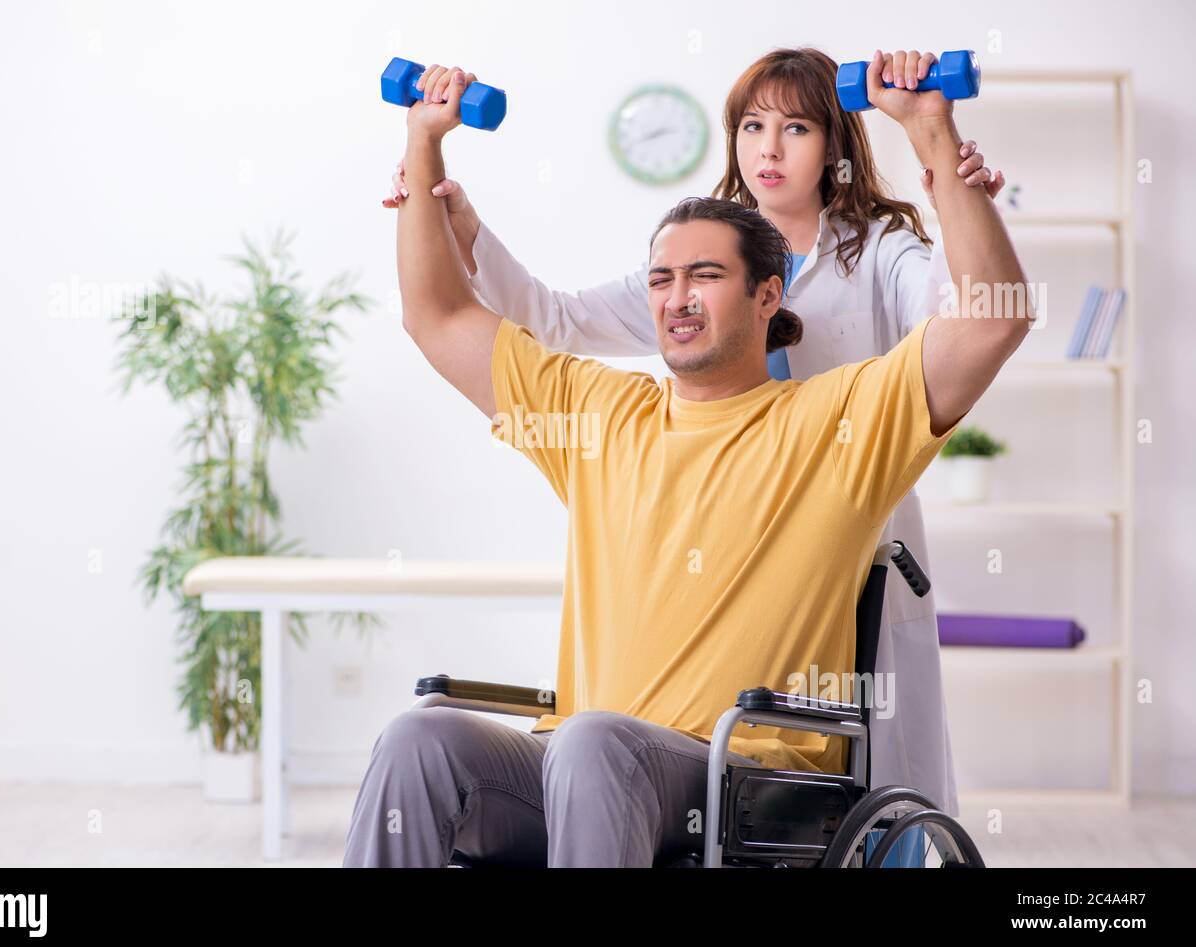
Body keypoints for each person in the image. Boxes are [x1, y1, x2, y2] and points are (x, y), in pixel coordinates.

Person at [342, 51, 1032, 867]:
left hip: (744, 781)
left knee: (595, 743)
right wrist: (425, 144)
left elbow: (989, 319)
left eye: (705, 275)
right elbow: (437, 314)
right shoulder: (596, 414)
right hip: (585, 766)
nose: (677, 298)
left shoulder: (839, 423)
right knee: (419, 740)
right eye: (663, 279)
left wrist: (929, 130)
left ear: (768, 296)